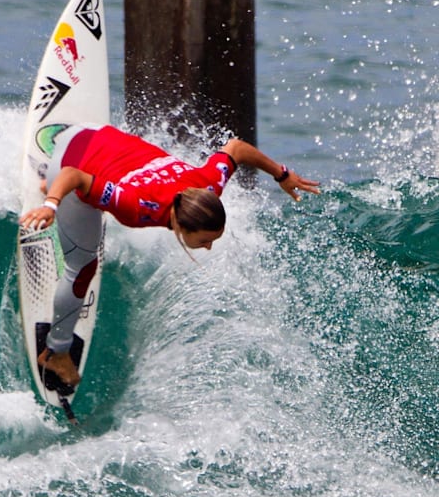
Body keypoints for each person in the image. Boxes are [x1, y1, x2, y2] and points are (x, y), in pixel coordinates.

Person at [18, 124, 321, 388]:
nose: (209, 247)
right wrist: (52, 204)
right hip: (73, 161)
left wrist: (281, 174)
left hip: (91, 133)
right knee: (83, 266)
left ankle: (48, 179)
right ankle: (56, 353)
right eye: (204, 241)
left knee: (96, 187)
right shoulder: (137, 206)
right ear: (180, 224)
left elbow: (236, 148)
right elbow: (75, 176)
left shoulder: (209, 185)